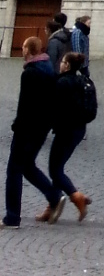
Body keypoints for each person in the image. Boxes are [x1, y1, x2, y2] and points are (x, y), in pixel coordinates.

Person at [4, 37, 58, 228]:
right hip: (42, 128)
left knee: (14, 170)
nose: (21, 49)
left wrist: (17, 126)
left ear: (29, 50)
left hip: (26, 129)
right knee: (27, 166)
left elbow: (24, 105)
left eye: (23, 46)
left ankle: (12, 217)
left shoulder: (30, 73)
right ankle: (54, 196)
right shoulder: (48, 68)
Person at [43, 53, 91, 223]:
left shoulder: (62, 83)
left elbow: (54, 108)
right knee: (58, 167)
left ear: (68, 66)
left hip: (66, 130)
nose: (60, 64)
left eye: (63, 61)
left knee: (55, 170)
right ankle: (52, 207)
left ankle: (76, 197)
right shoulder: (81, 80)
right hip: (78, 130)